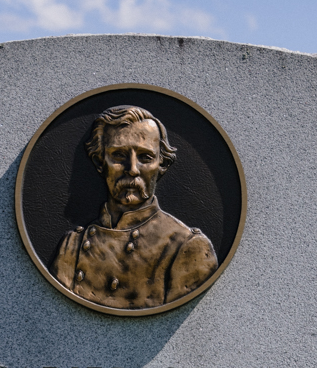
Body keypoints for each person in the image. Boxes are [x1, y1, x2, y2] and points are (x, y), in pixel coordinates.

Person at [54, 105, 218, 310]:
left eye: (145, 157)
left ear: (162, 165)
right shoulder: (71, 247)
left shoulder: (189, 248)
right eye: (119, 155)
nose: (132, 169)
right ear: (99, 162)